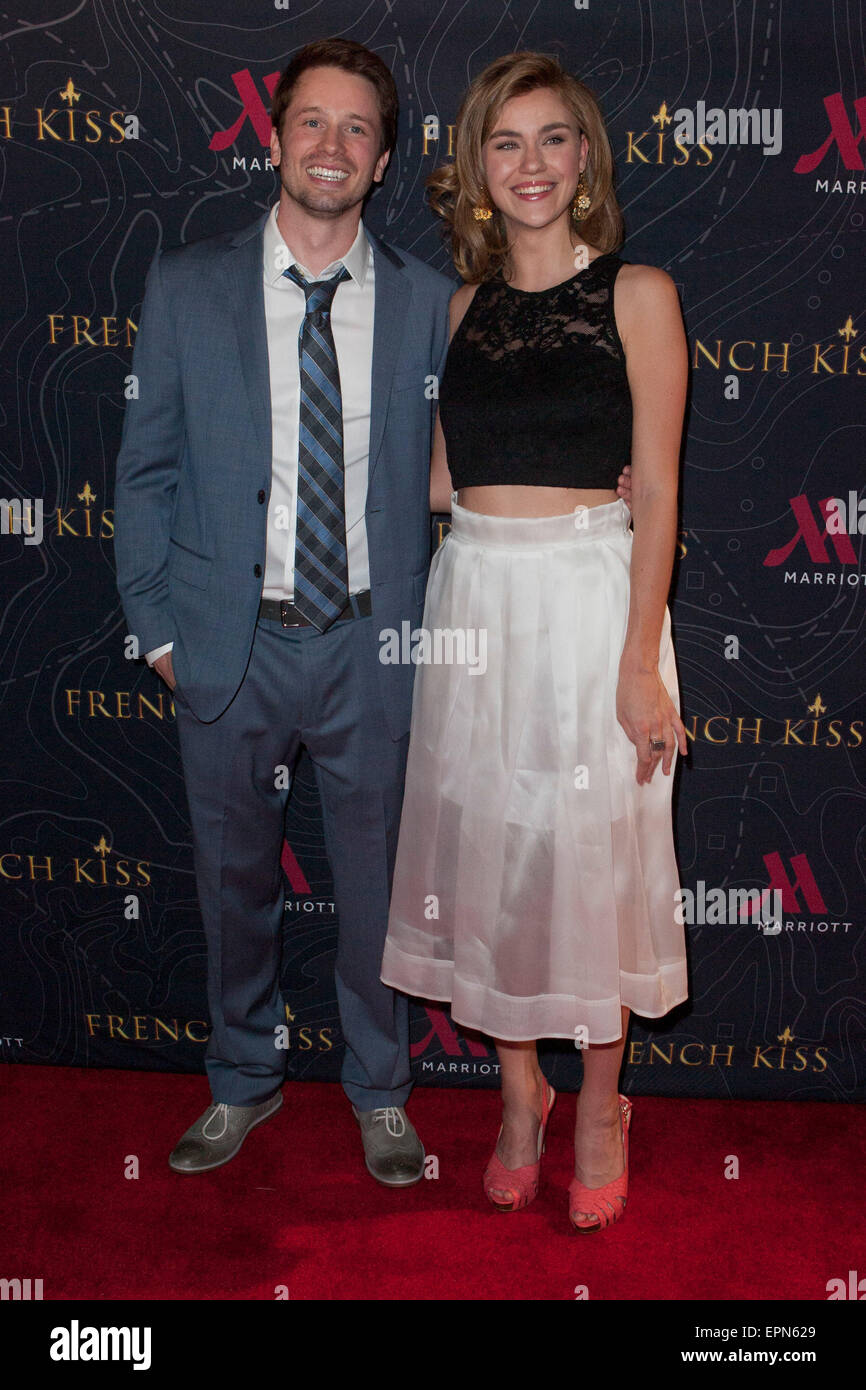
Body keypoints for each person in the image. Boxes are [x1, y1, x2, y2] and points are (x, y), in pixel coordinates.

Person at [113, 38, 457, 1186]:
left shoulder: (422, 301)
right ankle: (240, 1081)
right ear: (274, 137)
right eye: (311, 121)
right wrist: (159, 630)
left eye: (356, 128)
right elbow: (145, 473)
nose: (330, 145)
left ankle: (379, 1091)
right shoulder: (186, 283)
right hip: (230, 642)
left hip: (372, 642)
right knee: (232, 886)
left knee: (376, 894)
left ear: (382, 158)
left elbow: (466, 461)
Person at [380, 51, 689, 1230]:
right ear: (473, 169)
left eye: (551, 138)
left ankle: (599, 1105)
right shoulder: (456, 309)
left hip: (588, 600)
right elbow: (441, 486)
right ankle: (520, 1099)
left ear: (583, 160)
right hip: (476, 606)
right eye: (504, 142)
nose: (529, 163)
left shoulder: (638, 294)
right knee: (490, 861)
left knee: (594, 859)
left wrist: (633, 656)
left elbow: (656, 490)